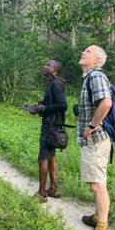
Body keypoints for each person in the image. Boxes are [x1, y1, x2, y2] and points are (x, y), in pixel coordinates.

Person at [76, 44, 113, 230]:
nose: (83, 52)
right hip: (96, 140)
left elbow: (106, 103)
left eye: (88, 51)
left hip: (96, 140)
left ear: (97, 60)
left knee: (97, 185)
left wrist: (91, 127)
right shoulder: (90, 77)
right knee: (99, 182)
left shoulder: (96, 75)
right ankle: (97, 216)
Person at [24, 60, 67, 202]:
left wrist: (45, 109)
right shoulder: (52, 83)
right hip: (53, 125)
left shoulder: (55, 84)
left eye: (48, 65)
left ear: (55, 70)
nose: (44, 66)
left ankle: (41, 193)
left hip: (50, 127)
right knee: (51, 156)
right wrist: (39, 108)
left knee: (42, 159)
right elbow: (50, 104)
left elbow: (63, 105)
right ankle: (53, 188)